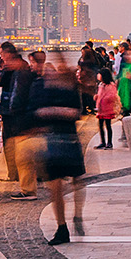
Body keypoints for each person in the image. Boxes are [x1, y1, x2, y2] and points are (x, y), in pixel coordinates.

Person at [33, 49, 89, 243]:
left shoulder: (70, 86)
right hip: (52, 141)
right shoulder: (42, 87)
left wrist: (52, 111)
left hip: (69, 139)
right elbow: (36, 112)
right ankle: (61, 227)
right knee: (55, 187)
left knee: (77, 182)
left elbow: (76, 113)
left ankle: (78, 215)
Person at [0, 41, 41, 198]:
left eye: (2, 54)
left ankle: (28, 189)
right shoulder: (18, 70)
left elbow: (19, 95)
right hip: (19, 115)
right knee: (20, 151)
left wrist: (15, 111)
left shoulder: (20, 71)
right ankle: (25, 183)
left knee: (24, 154)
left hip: (19, 117)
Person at [93, 69, 119, 149]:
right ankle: (103, 142)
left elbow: (112, 95)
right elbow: (100, 94)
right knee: (100, 126)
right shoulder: (101, 84)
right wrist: (97, 97)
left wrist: (104, 99)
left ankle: (109, 142)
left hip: (107, 109)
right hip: (100, 109)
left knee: (108, 126)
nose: (98, 75)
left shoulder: (111, 85)